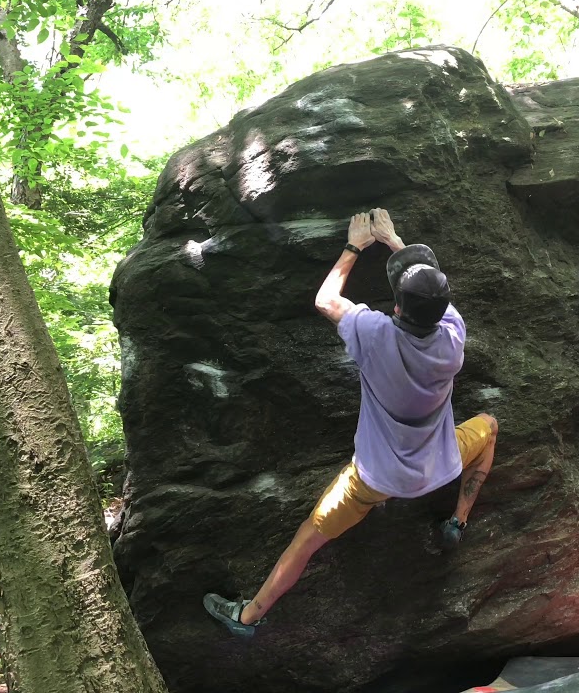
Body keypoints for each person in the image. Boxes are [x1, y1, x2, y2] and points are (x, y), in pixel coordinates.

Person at [203, 208, 498, 640]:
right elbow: (433, 295)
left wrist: (355, 245)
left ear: (396, 305)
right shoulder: (453, 338)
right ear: (442, 308)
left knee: (309, 536)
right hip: (443, 464)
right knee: (488, 426)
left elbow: (326, 300)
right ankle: (457, 521)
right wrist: (397, 242)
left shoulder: (375, 333)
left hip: (376, 479)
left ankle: (248, 617)